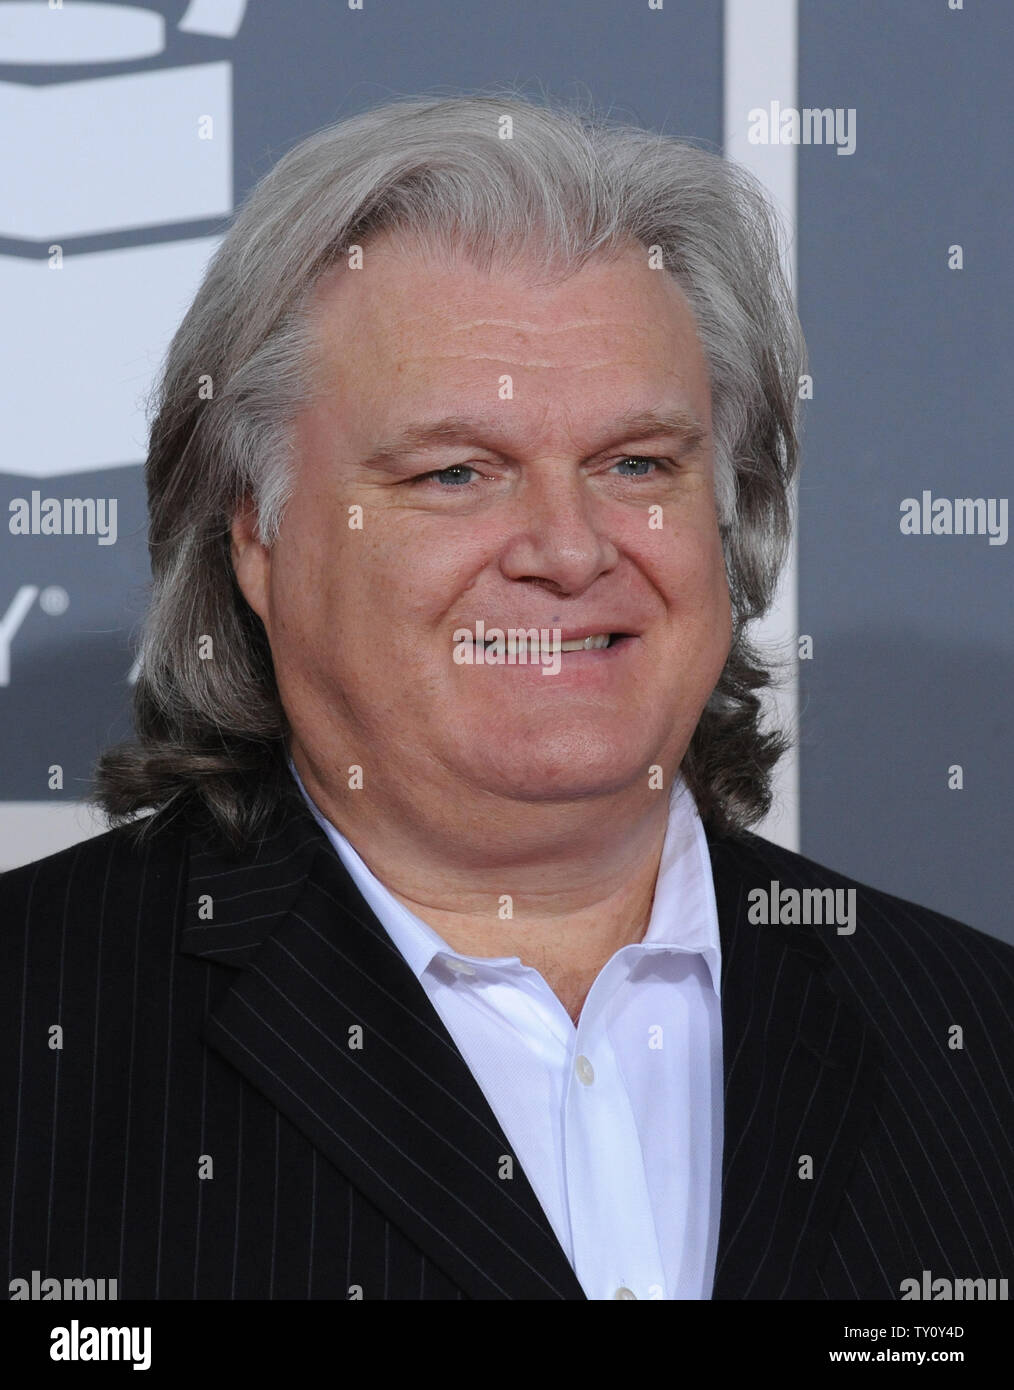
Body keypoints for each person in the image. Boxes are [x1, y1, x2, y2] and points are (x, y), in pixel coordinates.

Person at [3, 92, 1011, 1302]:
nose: (567, 548)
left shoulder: (977, 1038)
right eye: (455, 472)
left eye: (636, 463)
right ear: (255, 542)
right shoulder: (35, 1038)